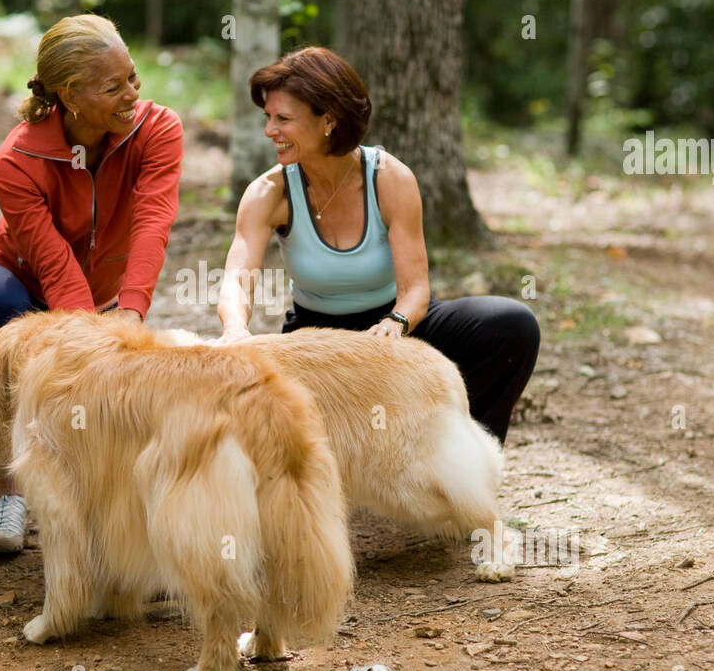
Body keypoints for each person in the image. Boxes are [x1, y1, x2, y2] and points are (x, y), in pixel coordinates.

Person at [216, 47, 539, 444]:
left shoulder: (390, 179)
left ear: (328, 121)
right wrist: (234, 328)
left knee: (511, 324)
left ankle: (469, 455)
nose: (269, 131)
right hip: (317, 339)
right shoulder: (268, 191)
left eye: (283, 119)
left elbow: (416, 290)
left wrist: (395, 323)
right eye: (268, 118)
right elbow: (237, 277)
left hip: (394, 327)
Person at [0, 14, 183, 554]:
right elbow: (53, 263)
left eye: (132, 75)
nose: (133, 92)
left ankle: (103, 498)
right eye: (114, 85)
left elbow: (153, 220)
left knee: (105, 384)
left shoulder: (158, 129)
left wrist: (129, 312)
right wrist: (91, 338)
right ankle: (9, 489)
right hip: (16, 277)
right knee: (8, 317)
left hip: (103, 294)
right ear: (69, 94)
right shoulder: (15, 160)